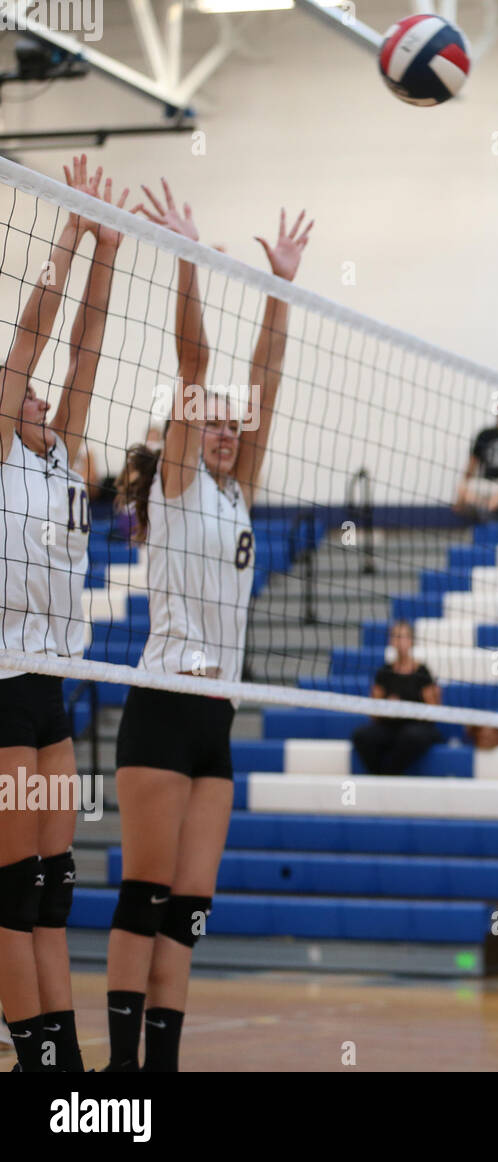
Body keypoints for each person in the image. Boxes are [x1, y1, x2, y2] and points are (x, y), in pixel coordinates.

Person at [106, 181, 312, 1071]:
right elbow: (197, 369)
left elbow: (266, 379)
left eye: (235, 424)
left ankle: (162, 1068)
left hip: (216, 717)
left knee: (191, 904)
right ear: (189, 432)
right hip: (161, 704)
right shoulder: (178, 485)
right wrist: (189, 258)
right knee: (147, 892)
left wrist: (283, 291)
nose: (227, 427)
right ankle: (119, 1069)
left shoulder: (238, 492)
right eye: (213, 421)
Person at [0, 156, 126, 1072]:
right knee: (10, 889)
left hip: (53, 687)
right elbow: (35, 342)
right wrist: (66, 237)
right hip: (2, 681)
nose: (41, 394)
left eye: (44, 397)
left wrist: (111, 254)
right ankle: (40, 1061)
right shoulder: (5, 446)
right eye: (28, 392)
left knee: (52, 887)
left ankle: (61, 1061)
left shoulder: (64, 456)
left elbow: (86, 350)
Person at [351, 621, 444, 773]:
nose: (400, 641)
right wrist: (387, 707)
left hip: (417, 726)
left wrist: (406, 709)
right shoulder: (384, 671)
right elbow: (374, 712)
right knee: (361, 736)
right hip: (390, 726)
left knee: (410, 736)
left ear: (412, 641)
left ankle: (386, 776)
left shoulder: (422, 671)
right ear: (390, 641)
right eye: (395, 636)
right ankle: (381, 777)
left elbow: (433, 710)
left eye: (404, 637)